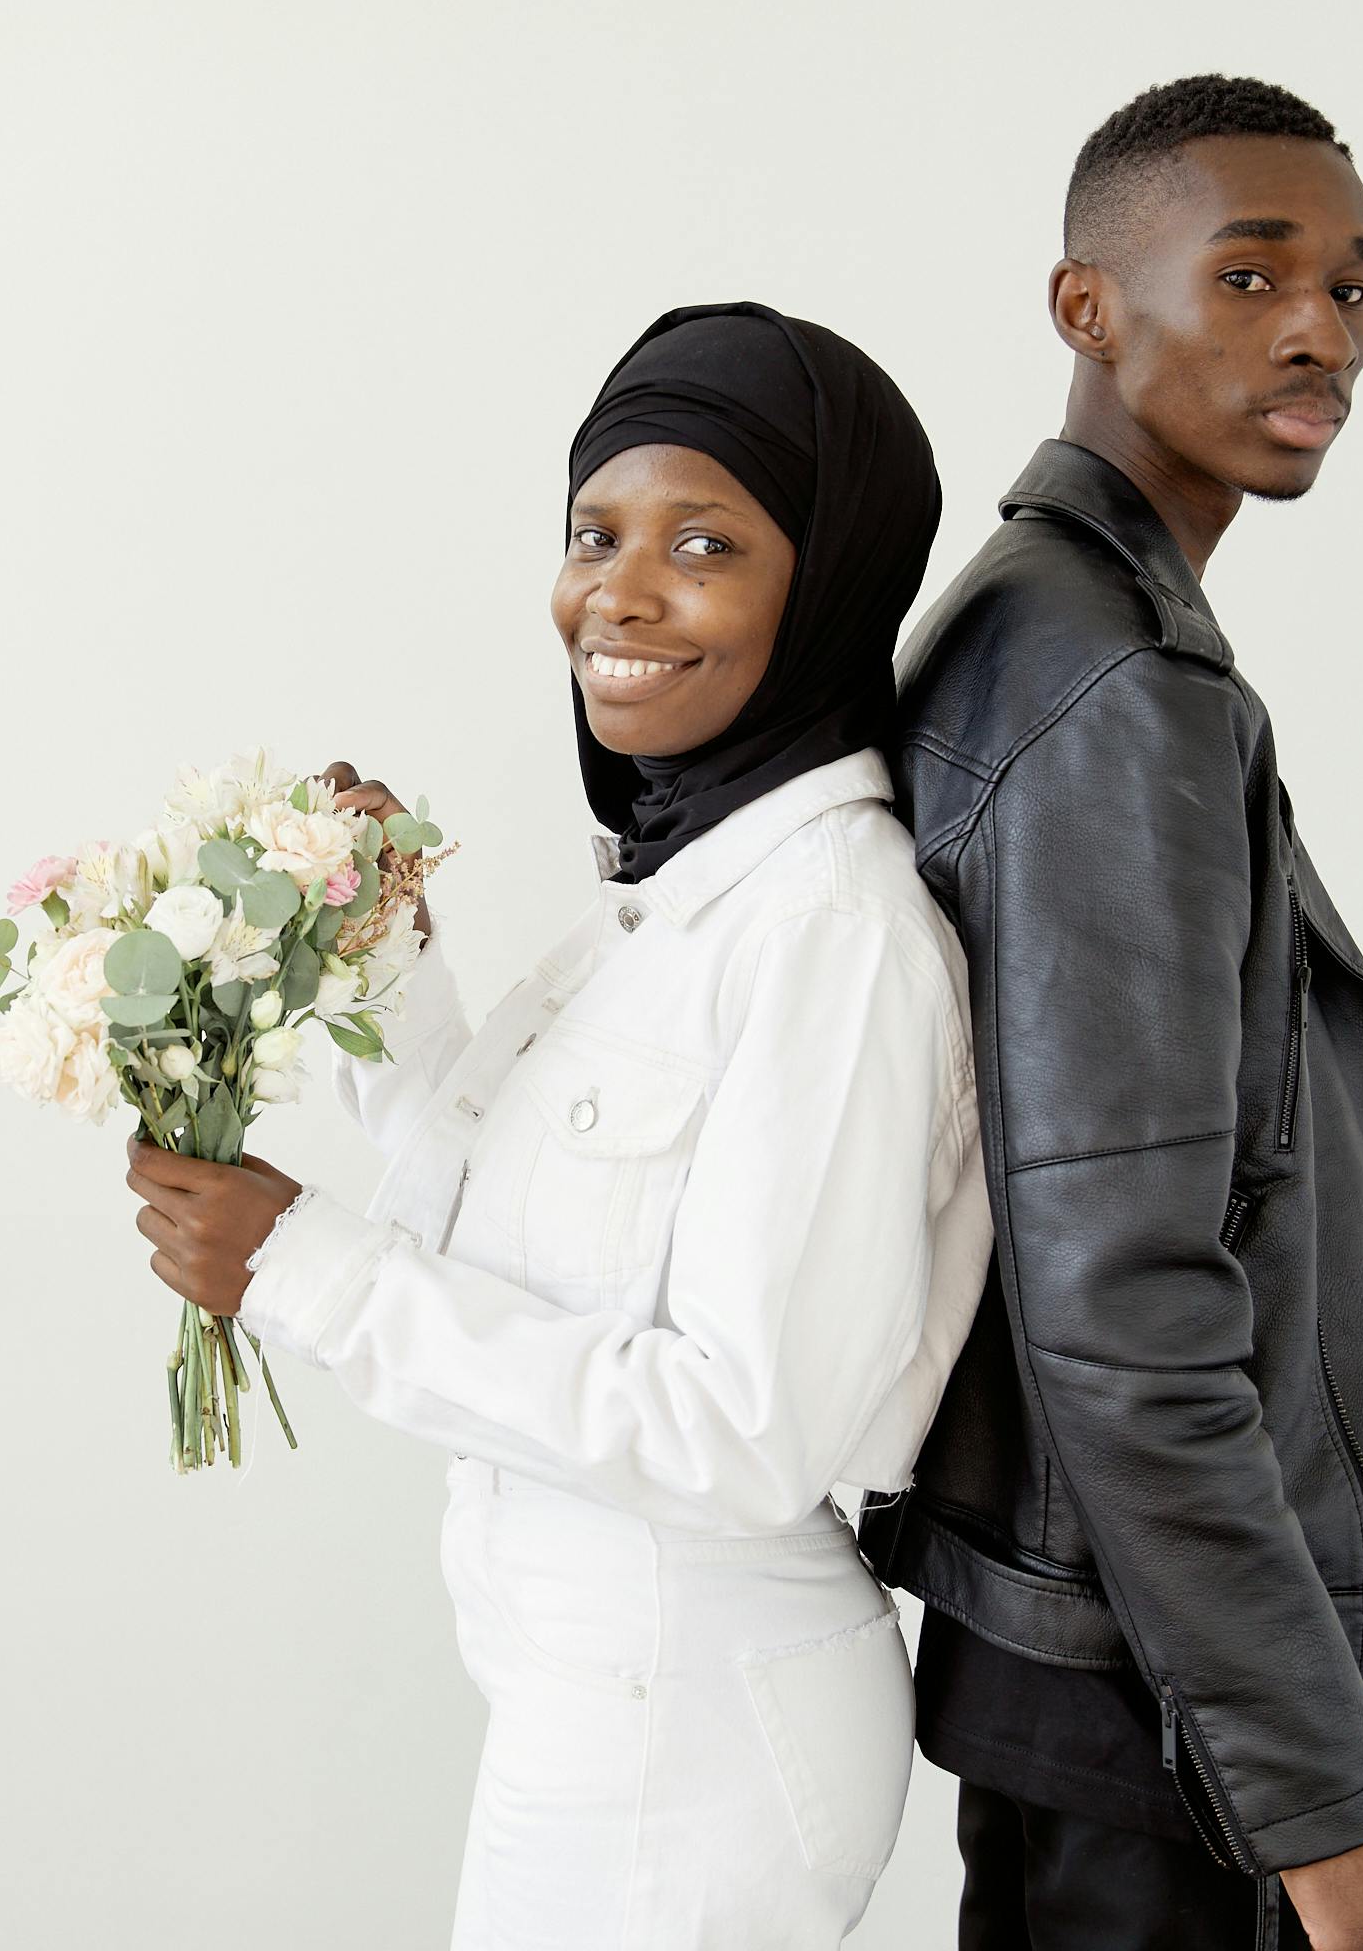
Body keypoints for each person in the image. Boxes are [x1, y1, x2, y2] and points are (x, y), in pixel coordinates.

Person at [124, 302, 993, 1947]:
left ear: (828, 590)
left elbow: (743, 1431)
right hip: (614, 1699)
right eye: (596, 531)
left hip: (695, 1726)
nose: (621, 591)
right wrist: (378, 943)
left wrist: (304, 1272)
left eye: (704, 543)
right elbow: (526, 1217)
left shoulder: (828, 929)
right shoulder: (679, 890)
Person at [858, 76, 1363, 1951]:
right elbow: (1121, 1281)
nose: (1322, 331)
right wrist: (1314, 1790)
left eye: (1355, 287)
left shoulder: (1051, 622)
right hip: (1154, 1701)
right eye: (1251, 274)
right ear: (1087, 309)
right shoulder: (1110, 681)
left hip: (1112, 1656)